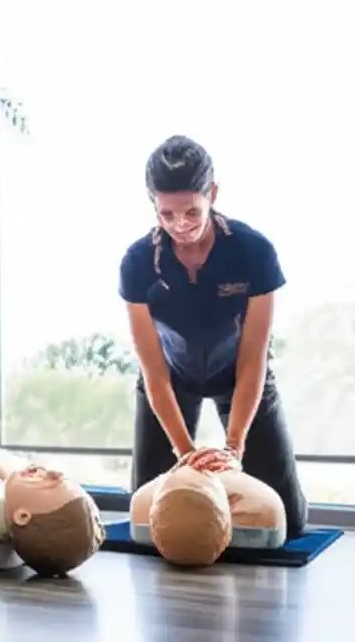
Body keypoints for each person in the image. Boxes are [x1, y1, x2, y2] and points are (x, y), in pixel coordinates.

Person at [119, 134, 307, 539]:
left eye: (192, 211)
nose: (180, 225)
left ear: (213, 194)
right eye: (166, 214)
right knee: (148, 518)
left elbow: (254, 357)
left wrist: (233, 448)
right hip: (171, 380)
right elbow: (153, 372)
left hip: (239, 376)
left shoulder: (254, 251)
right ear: (153, 203)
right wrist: (187, 454)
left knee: (289, 522)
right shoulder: (137, 262)